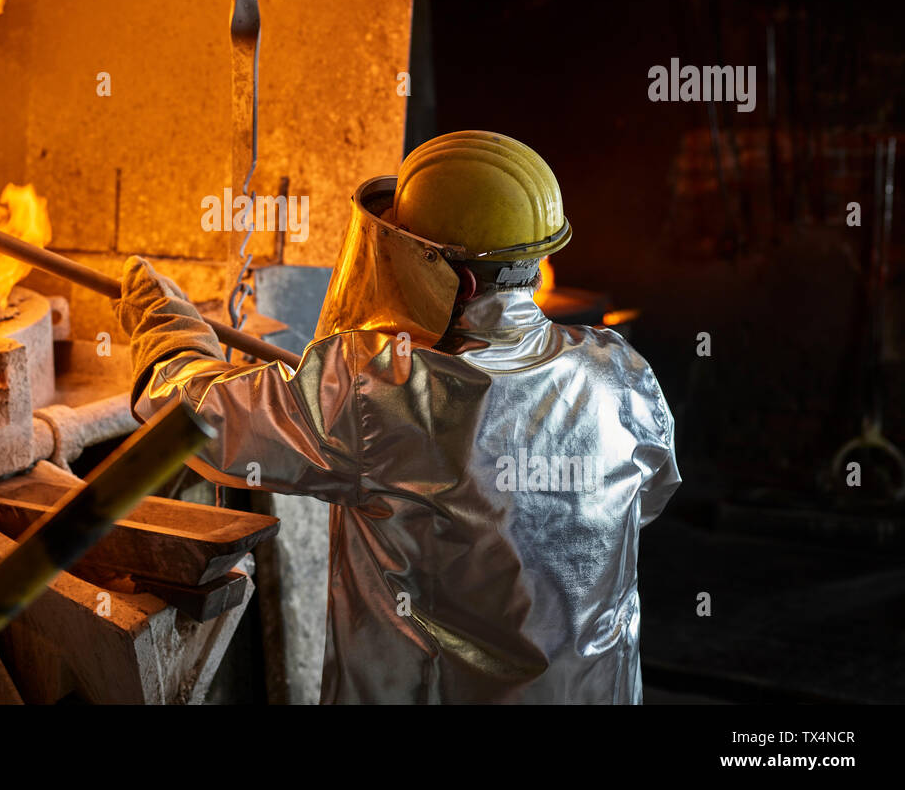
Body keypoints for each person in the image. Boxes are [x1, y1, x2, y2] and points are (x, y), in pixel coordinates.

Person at [113, 130, 680, 704]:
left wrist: (163, 324)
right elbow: (645, 503)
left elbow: (199, 418)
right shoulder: (621, 372)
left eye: (403, 249)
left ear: (456, 280)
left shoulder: (387, 394)